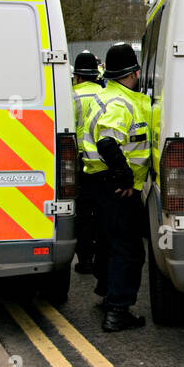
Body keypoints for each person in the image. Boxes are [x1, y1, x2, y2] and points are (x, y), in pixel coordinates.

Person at [87, 43, 153, 332]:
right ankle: (117, 311)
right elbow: (106, 142)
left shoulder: (105, 95)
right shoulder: (119, 104)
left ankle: (107, 294)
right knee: (128, 250)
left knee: (109, 242)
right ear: (134, 72)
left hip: (99, 183)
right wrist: (124, 178)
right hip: (115, 185)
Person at [71, 51, 105, 274]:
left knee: (82, 213)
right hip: (103, 161)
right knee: (101, 212)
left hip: (79, 161)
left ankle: (84, 260)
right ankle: (101, 258)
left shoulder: (71, 96)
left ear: (78, 76)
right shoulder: (105, 94)